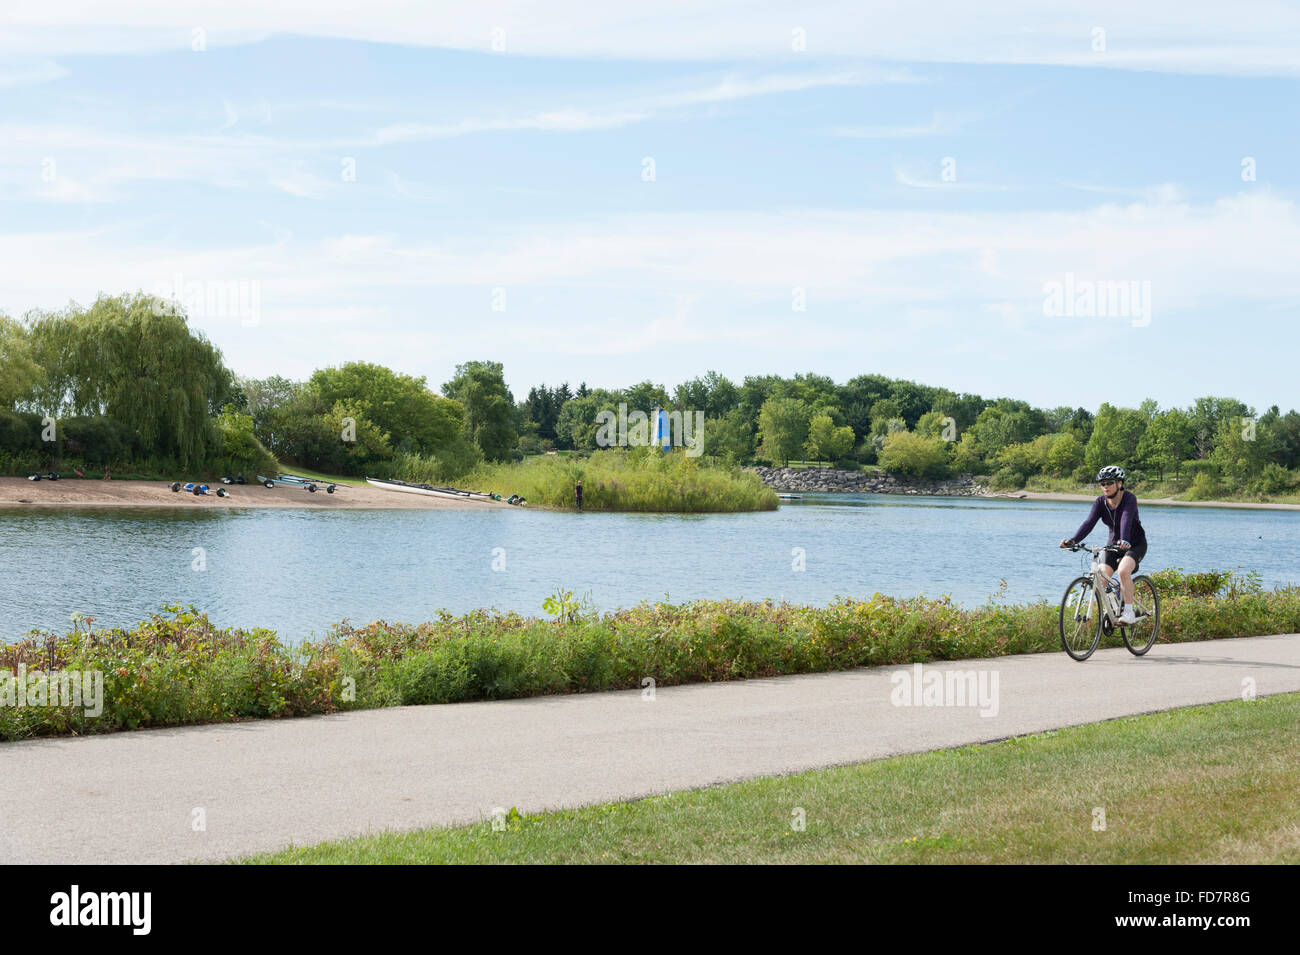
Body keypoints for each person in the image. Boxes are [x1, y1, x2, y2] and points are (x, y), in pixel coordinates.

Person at [1060, 465, 1147, 624]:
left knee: (1123, 571)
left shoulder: (1129, 499)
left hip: (1134, 544)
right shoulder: (1100, 502)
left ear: (1119, 483)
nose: (1105, 486)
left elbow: (1126, 520)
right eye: (1102, 483)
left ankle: (1128, 612)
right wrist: (1073, 541)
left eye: (1109, 482)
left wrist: (1125, 539)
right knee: (1100, 576)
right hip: (1113, 545)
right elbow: (1089, 523)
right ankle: (1111, 610)